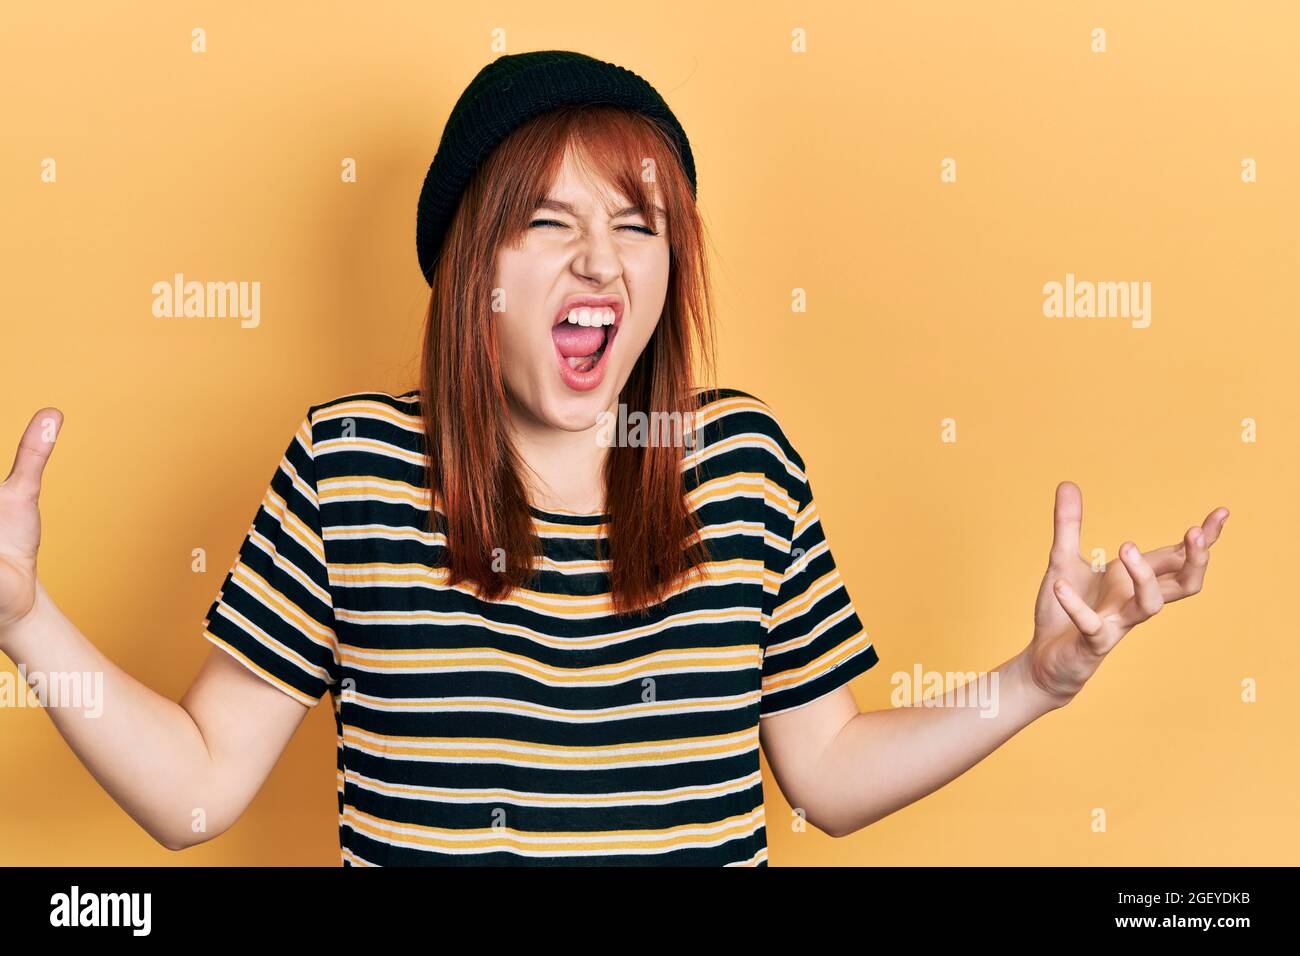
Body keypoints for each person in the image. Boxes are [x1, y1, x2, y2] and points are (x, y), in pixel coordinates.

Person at [0, 51, 1229, 866]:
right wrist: (26, 620)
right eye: (549, 222)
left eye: (638, 225)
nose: (601, 260)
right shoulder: (350, 465)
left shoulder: (736, 463)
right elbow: (200, 788)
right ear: (474, 268)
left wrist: (1033, 677)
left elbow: (830, 773)